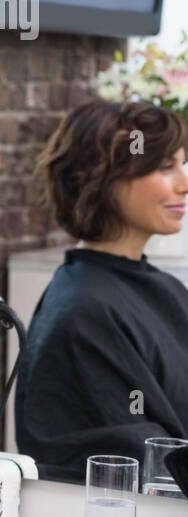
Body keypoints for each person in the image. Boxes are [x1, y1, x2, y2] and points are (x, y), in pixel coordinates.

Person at [16, 99, 188, 482]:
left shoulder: (163, 289)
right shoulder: (84, 312)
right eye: (165, 167)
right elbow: (145, 466)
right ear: (104, 178)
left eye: (182, 163)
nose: (184, 183)